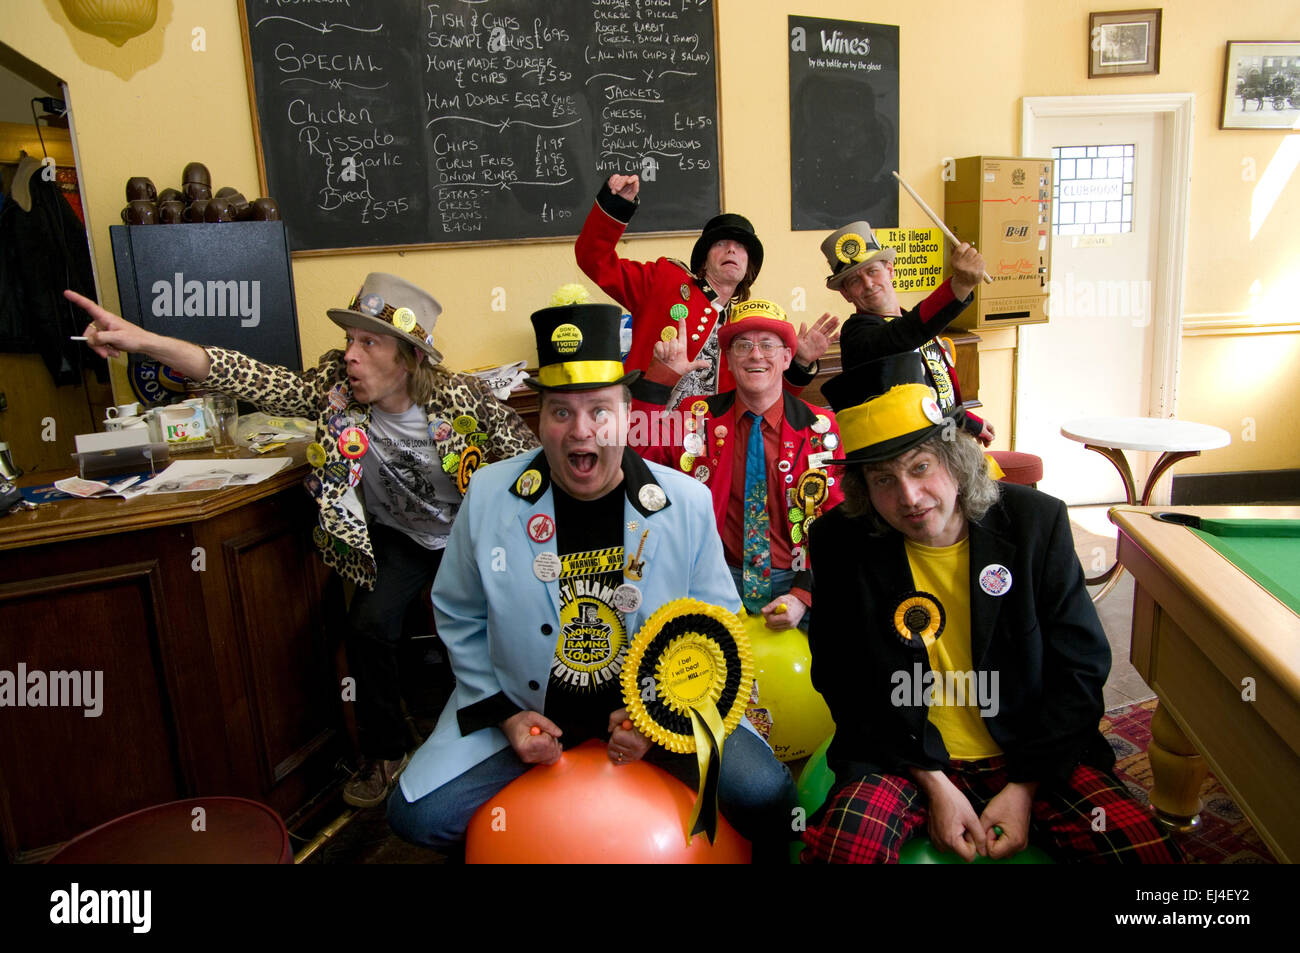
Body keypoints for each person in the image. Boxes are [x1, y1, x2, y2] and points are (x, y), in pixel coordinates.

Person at [65, 274, 538, 809]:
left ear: (408, 358)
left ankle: (512, 730)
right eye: (349, 341)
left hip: (468, 536)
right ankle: (388, 753)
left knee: (503, 622)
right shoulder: (335, 390)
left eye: (368, 342)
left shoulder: (463, 399)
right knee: (367, 626)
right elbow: (244, 375)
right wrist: (144, 342)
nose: (350, 355)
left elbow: (530, 464)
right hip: (402, 538)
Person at [387, 301, 796, 861]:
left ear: (628, 416)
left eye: (600, 412)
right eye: (561, 413)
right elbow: (458, 611)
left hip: (659, 711)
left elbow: (719, 627)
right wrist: (505, 715)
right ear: (540, 419)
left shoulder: (685, 503)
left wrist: (660, 720)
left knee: (768, 795)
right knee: (417, 815)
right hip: (528, 710)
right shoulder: (488, 496)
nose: (582, 431)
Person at [800, 361, 1182, 863]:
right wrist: (934, 784)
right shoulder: (840, 543)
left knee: (1148, 854)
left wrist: (1024, 786)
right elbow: (841, 680)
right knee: (842, 854)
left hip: (1032, 748)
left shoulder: (1034, 523)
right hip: (903, 756)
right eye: (883, 480)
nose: (909, 498)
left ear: (956, 462)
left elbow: (1081, 668)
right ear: (864, 491)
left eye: (920, 467)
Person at [630, 298, 844, 632]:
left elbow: (838, 520)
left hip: (799, 578)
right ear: (728, 359)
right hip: (711, 577)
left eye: (768, 345)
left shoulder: (821, 427)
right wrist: (658, 380)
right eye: (743, 345)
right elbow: (635, 459)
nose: (756, 355)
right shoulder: (694, 416)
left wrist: (803, 594)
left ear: (788, 357)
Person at [575, 173, 838, 407]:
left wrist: (801, 361)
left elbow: (767, 399)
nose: (731, 250)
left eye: (741, 246)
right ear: (703, 260)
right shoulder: (663, 280)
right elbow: (593, 258)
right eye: (721, 243)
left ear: (748, 269)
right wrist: (617, 206)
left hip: (710, 444)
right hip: (646, 428)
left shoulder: (745, 325)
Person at [820, 220, 994, 445]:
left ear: (890, 270)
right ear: (846, 294)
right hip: (908, 458)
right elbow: (903, 334)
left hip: (944, 446)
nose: (869, 284)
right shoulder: (859, 335)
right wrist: (959, 286)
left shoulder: (912, 323)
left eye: (873, 271)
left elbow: (931, 390)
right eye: (855, 280)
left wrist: (968, 421)